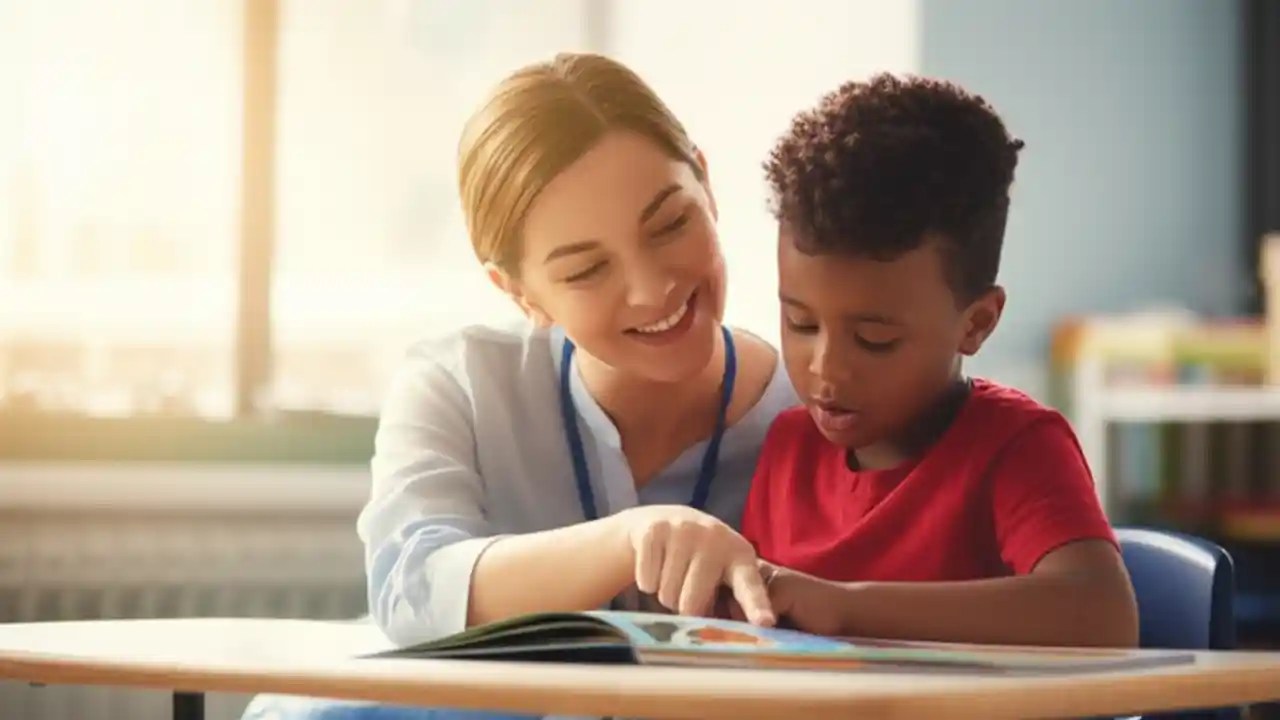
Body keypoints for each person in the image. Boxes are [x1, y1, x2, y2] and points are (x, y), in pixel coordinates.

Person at [242, 52, 797, 720]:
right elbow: (411, 590)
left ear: (706, 185)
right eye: (588, 269)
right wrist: (632, 539)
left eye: (671, 224)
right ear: (518, 291)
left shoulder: (822, 408)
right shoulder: (461, 384)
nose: (652, 290)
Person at [733, 73, 1140, 648]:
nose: (826, 366)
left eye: (874, 338)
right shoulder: (788, 448)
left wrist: (846, 607)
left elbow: (1101, 615)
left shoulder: (1015, 446)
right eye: (800, 323)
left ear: (975, 324)